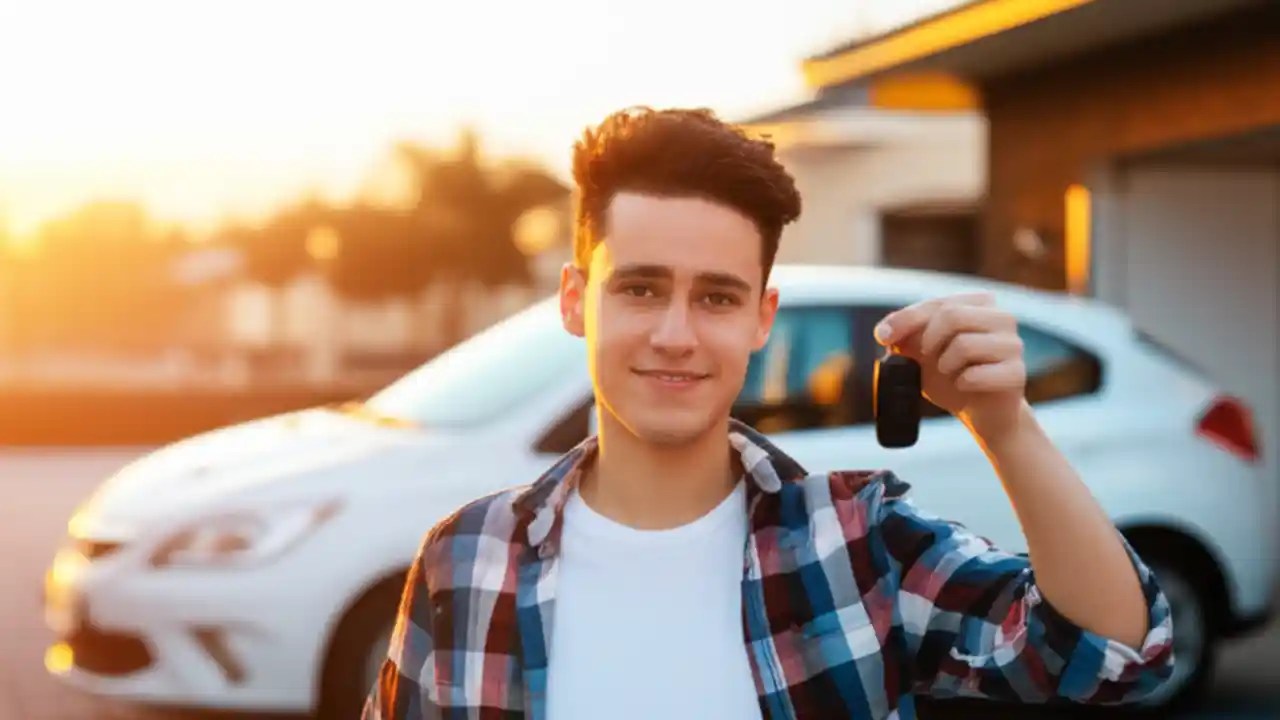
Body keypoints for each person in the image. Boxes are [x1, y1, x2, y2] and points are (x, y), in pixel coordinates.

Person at [362, 107, 1174, 720]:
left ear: (761, 317)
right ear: (576, 301)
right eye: (641, 288)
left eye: (716, 297)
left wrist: (1005, 425)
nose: (676, 335)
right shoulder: (465, 561)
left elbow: (1113, 656)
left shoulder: (855, 545)